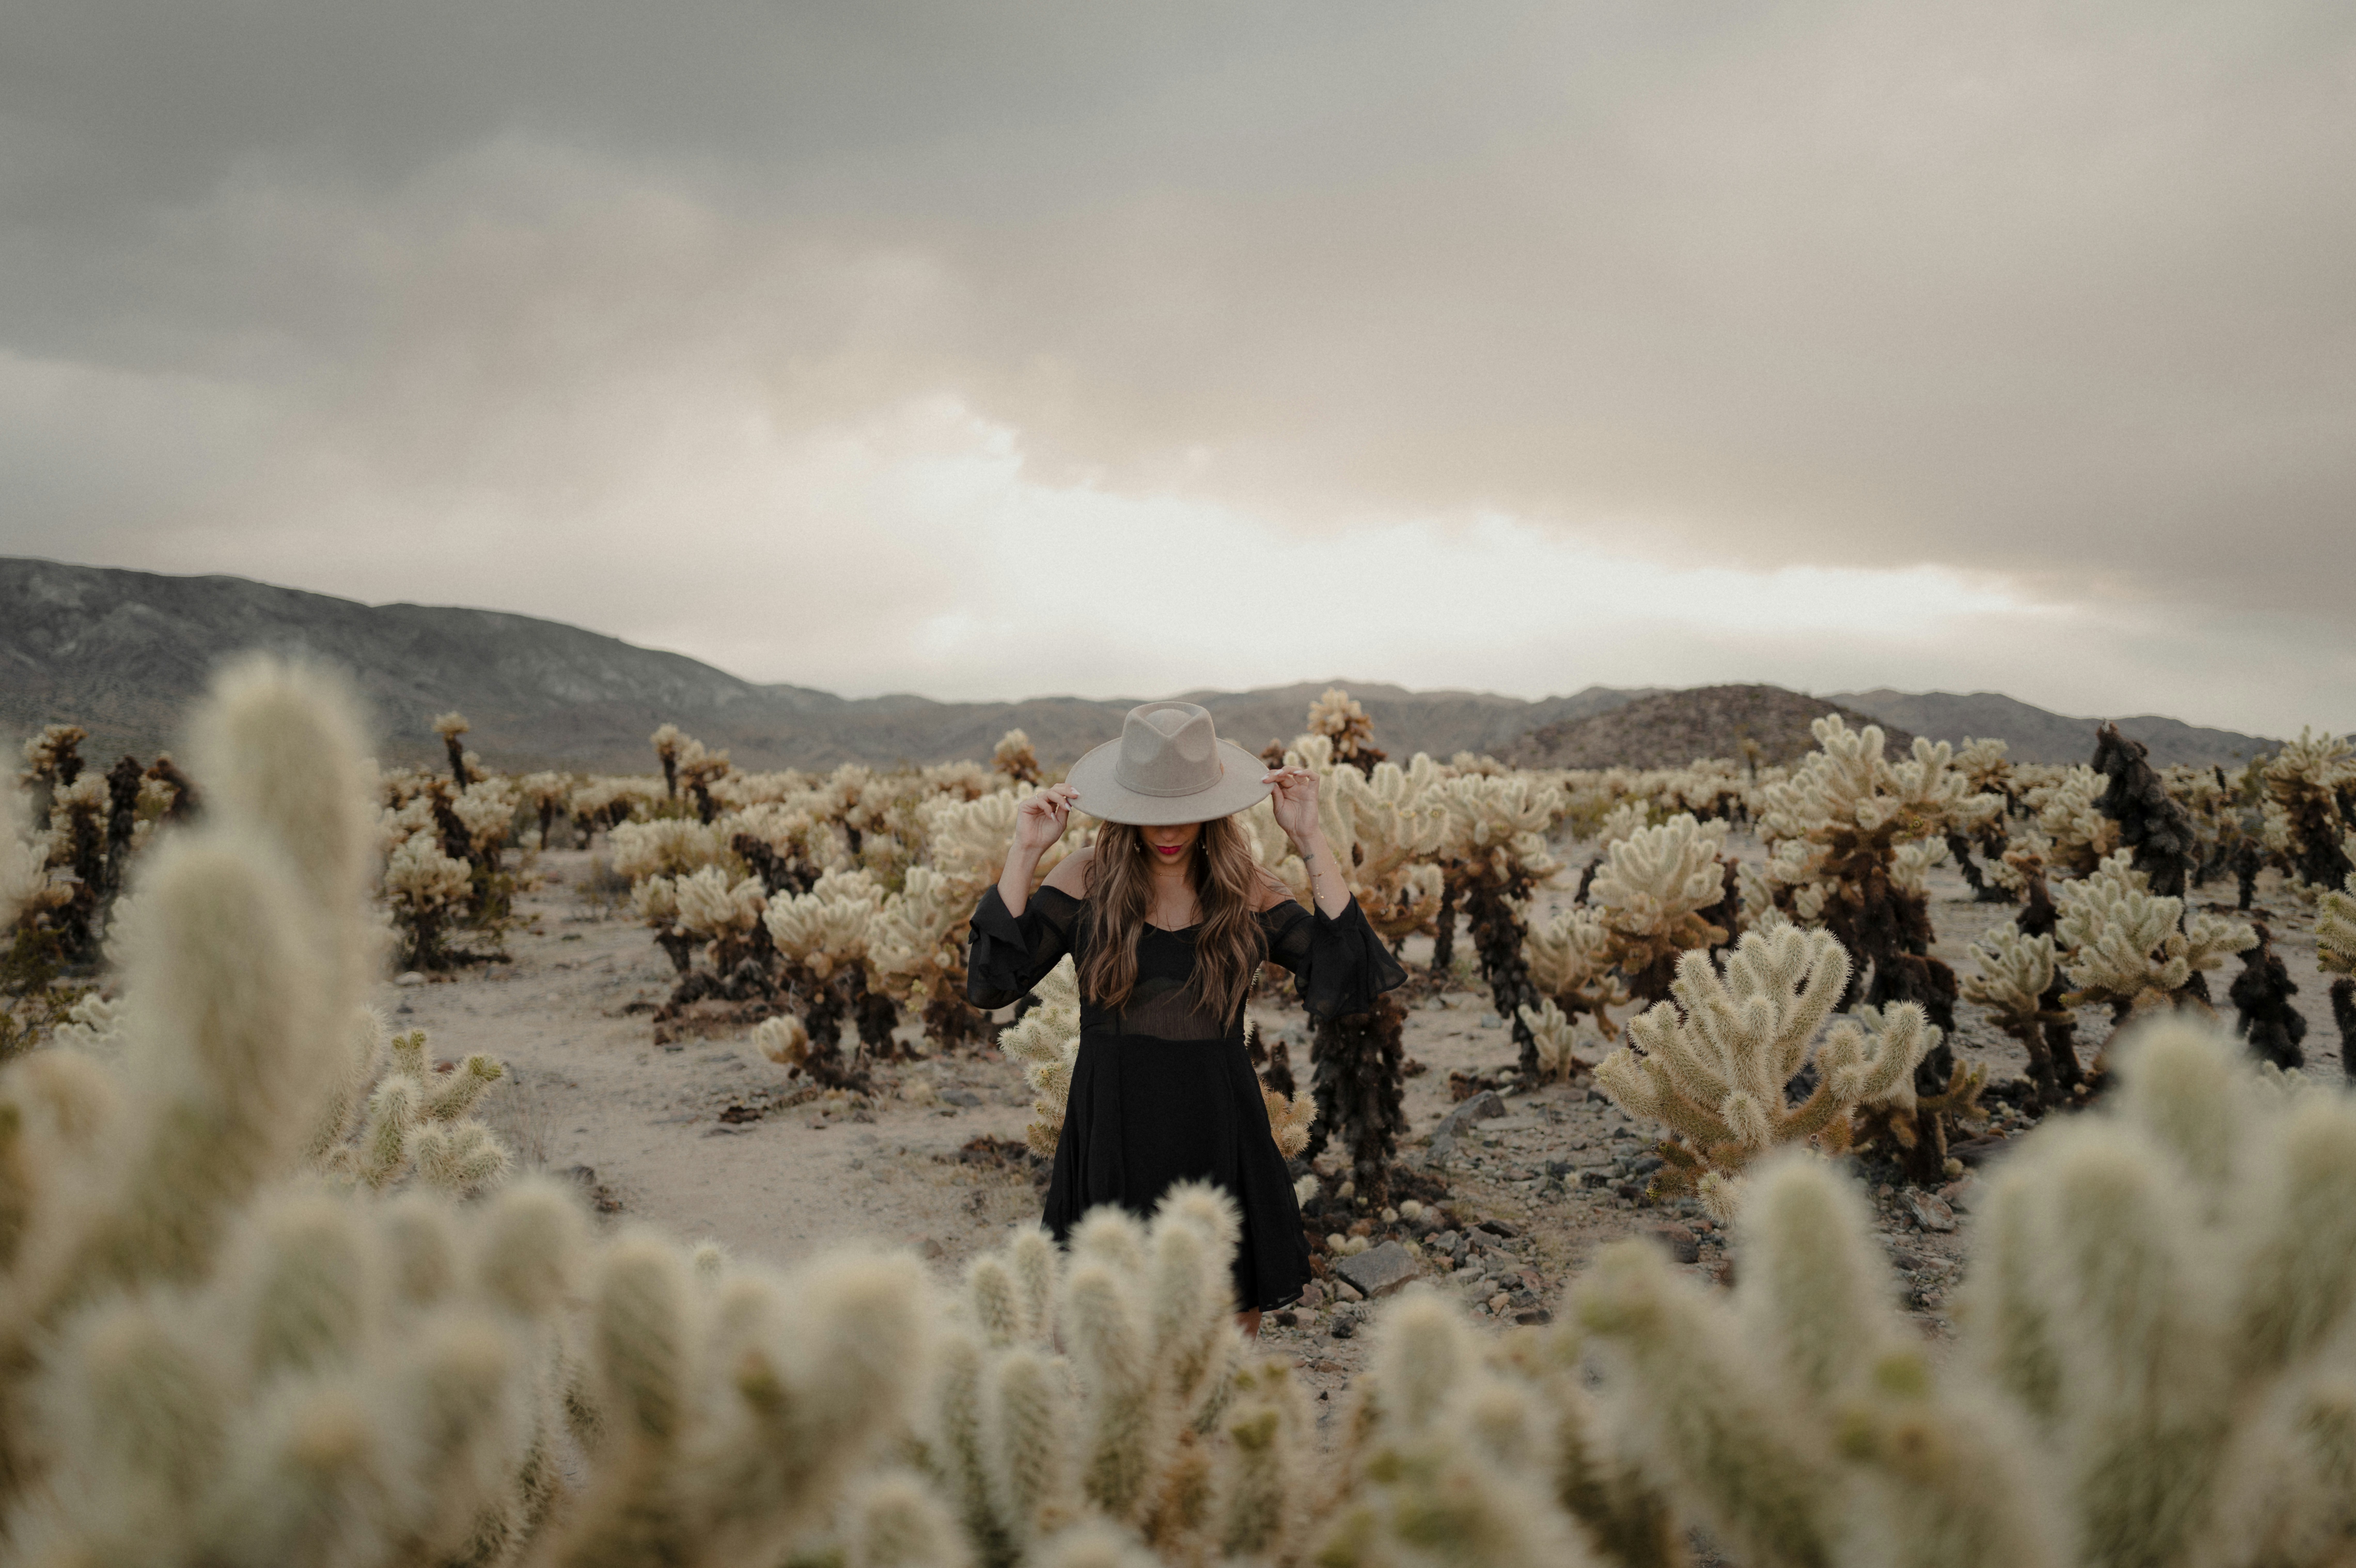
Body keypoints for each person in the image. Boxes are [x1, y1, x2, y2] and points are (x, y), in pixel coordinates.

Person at [966, 700, 1406, 1333]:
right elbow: (992, 983)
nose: (1168, 831)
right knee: (1105, 1313)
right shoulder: (1086, 877)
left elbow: (1346, 977)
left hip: (1216, 1120)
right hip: (1112, 1118)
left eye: (1186, 814)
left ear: (1215, 808)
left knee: (1227, 1314)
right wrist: (1024, 851)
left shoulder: (1245, 887)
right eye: (1153, 814)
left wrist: (1309, 838)